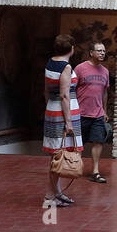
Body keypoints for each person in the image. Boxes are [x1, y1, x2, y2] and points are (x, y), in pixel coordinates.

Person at [43, 35, 83, 207]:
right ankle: (50, 195)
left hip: (52, 109)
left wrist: (50, 106)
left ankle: (56, 192)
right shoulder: (65, 67)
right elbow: (65, 95)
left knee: (56, 154)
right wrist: (68, 122)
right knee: (60, 154)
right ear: (72, 48)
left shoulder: (50, 62)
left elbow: (46, 90)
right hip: (64, 113)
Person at [75, 41, 111, 183]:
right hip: (81, 113)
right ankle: (76, 168)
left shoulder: (105, 71)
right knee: (79, 143)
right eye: (99, 50)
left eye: (103, 51)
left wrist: (104, 110)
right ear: (91, 53)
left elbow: (105, 93)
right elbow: (71, 89)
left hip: (97, 114)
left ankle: (95, 171)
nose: (102, 53)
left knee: (98, 142)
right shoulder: (80, 68)